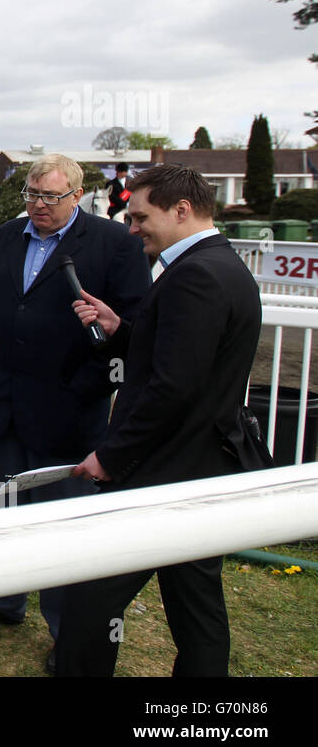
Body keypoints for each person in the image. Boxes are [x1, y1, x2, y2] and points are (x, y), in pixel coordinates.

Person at [55, 164, 262, 676]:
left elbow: (172, 387)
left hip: (159, 474)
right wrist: (120, 328)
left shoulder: (195, 275)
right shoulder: (220, 265)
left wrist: (110, 456)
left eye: (141, 216)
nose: (132, 228)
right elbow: (179, 359)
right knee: (197, 608)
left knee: (90, 596)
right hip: (200, 467)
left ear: (181, 210)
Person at [0, 154, 150, 673]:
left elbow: (134, 329)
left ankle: (69, 633)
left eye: (51, 197)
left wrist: (85, 388)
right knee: (8, 512)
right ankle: (4, 600)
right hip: (7, 405)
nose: (38, 206)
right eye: (32, 196)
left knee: (66, 527)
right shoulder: (5, 238)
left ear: (77, 196)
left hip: (70, 414)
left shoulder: (116, 246)